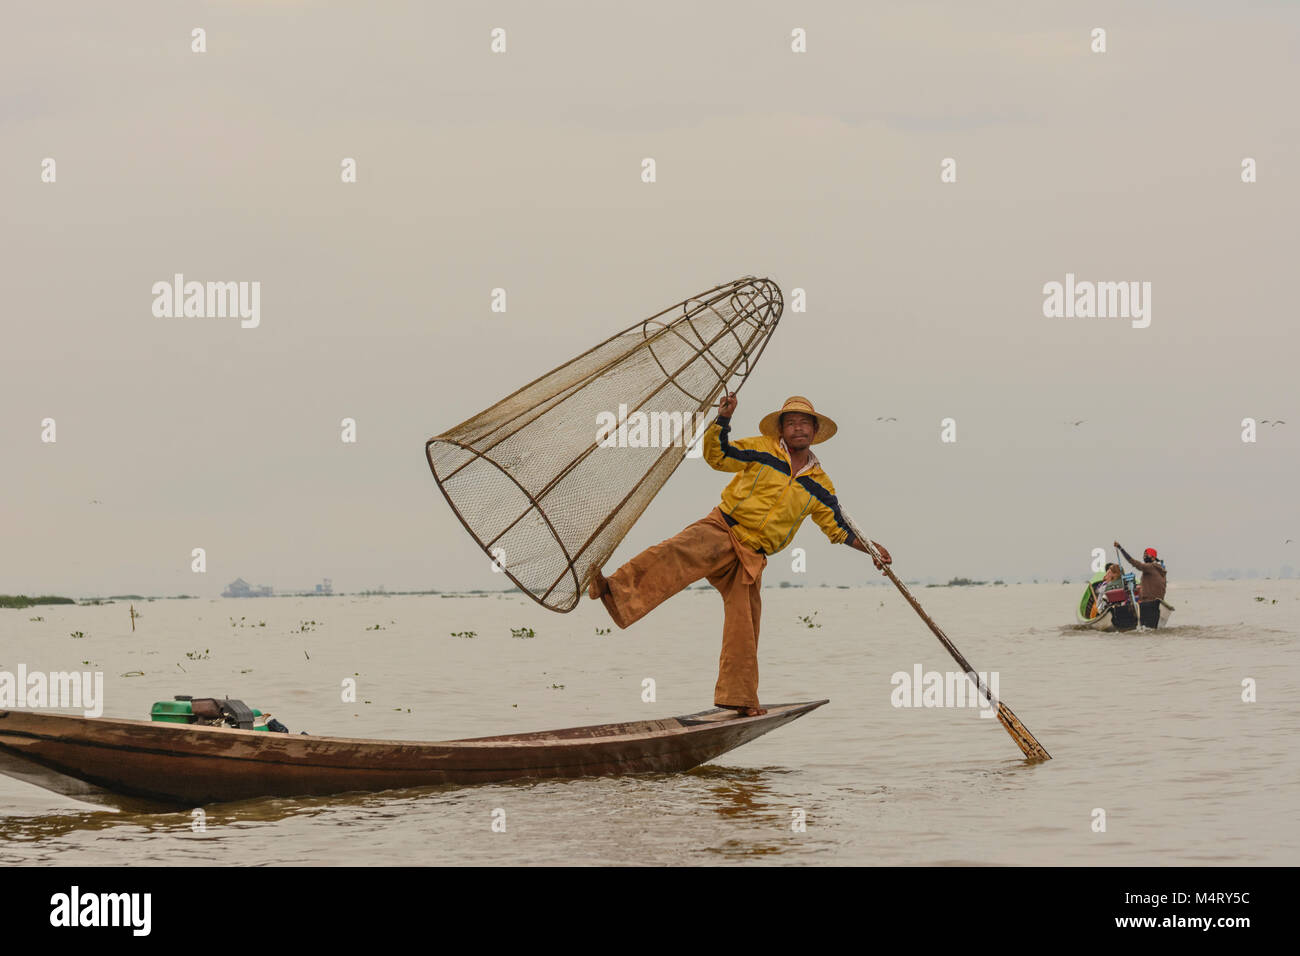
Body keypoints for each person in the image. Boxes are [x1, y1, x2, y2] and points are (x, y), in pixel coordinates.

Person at [587, 394, 892, 716]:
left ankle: (740, 700)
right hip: (722, 528)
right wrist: (723, 420)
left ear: (815, 431)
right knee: (672, 553)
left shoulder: (820, 484)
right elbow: (719, 456)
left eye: (804, 423)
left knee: (744, 627)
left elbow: (838, 529)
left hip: (753, 556)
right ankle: (612, 589)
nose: (798, 428)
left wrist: (872, 549)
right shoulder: (761, 449)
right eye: (791, 423)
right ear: (782, 430)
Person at [1114, 542, 1167, 629]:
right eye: (1144, 555)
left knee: (1127, 602)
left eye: (1147, 555)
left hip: (1149, 602)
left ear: (1153, 558)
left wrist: (1120, 549)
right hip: (1157, 601)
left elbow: (1134, 562)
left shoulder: (1149, 567)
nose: (1145, 556)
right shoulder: (1161, 569)